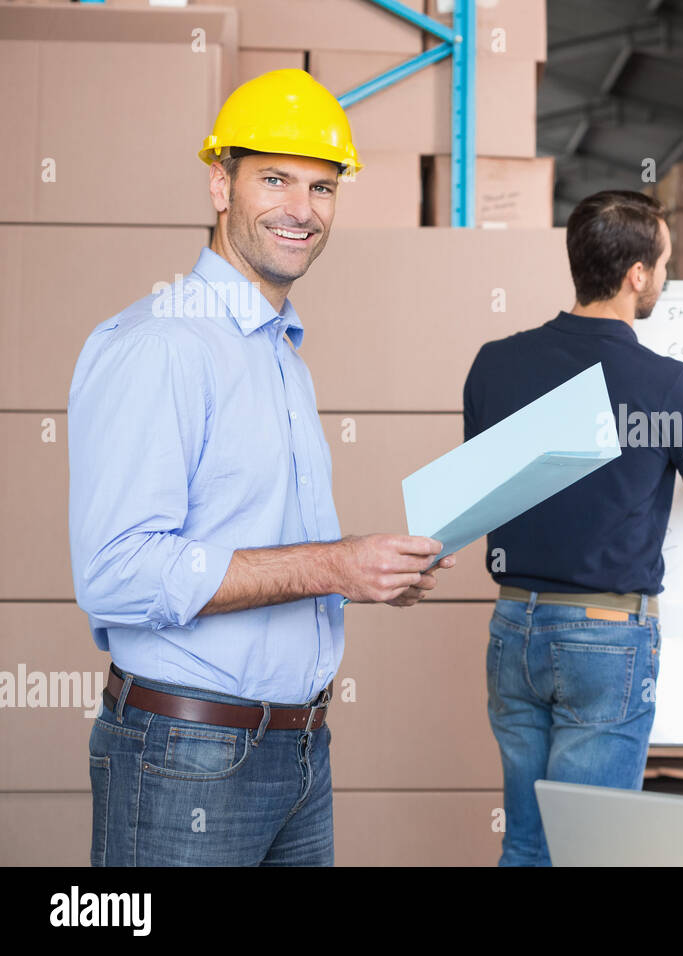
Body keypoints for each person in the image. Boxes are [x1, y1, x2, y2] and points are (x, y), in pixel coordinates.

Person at [67, 70, 454, 867]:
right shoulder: (164, 345)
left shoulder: (280, 354)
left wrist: (364, 571)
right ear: (220, 183)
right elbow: (115, 573)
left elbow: (259, 540)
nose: (301, 210)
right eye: (274, 179)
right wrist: (333, 564)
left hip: (298, 750)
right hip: (187, 754)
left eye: (322, 186)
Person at [462, 189, 683, 866]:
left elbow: (487, 499)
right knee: (592, 853)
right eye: (663, 264)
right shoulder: (665, 385)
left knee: (527, 842)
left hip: (513, 630)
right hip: (604, 640)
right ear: (636, 276)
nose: (665, 277)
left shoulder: (495, 364)